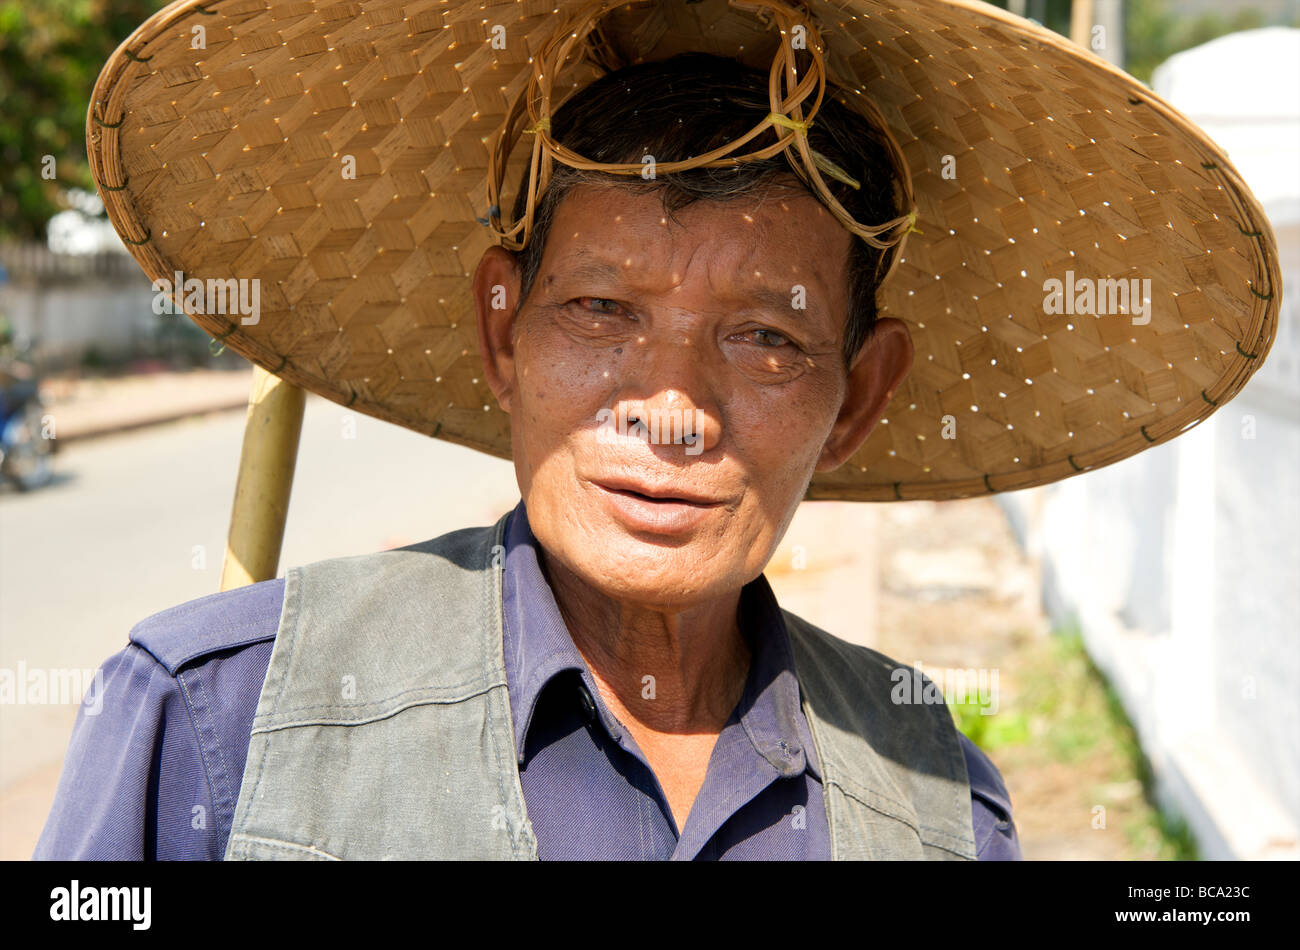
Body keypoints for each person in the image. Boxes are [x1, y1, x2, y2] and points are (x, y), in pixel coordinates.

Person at [37, 0, 1277, 860]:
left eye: (767, 338)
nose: (672, 409)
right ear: (499, 331)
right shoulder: (213, 722)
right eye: (600, 310)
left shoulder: (933, 799)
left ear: (859, 397)